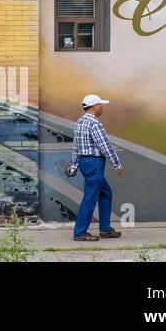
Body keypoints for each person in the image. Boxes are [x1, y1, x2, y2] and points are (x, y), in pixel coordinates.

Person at [68, 93, 124, 242]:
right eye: (101, 105)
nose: (102, 107)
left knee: (105, 193)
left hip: (85, 162)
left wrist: (74, 165)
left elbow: (75, 146)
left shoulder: (80, 121)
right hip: (94, 163)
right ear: (94, 106)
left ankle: (105, 229)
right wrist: (117, 164)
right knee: (90, 197)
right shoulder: (94, 123)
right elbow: (105, 146)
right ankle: (80, 232)